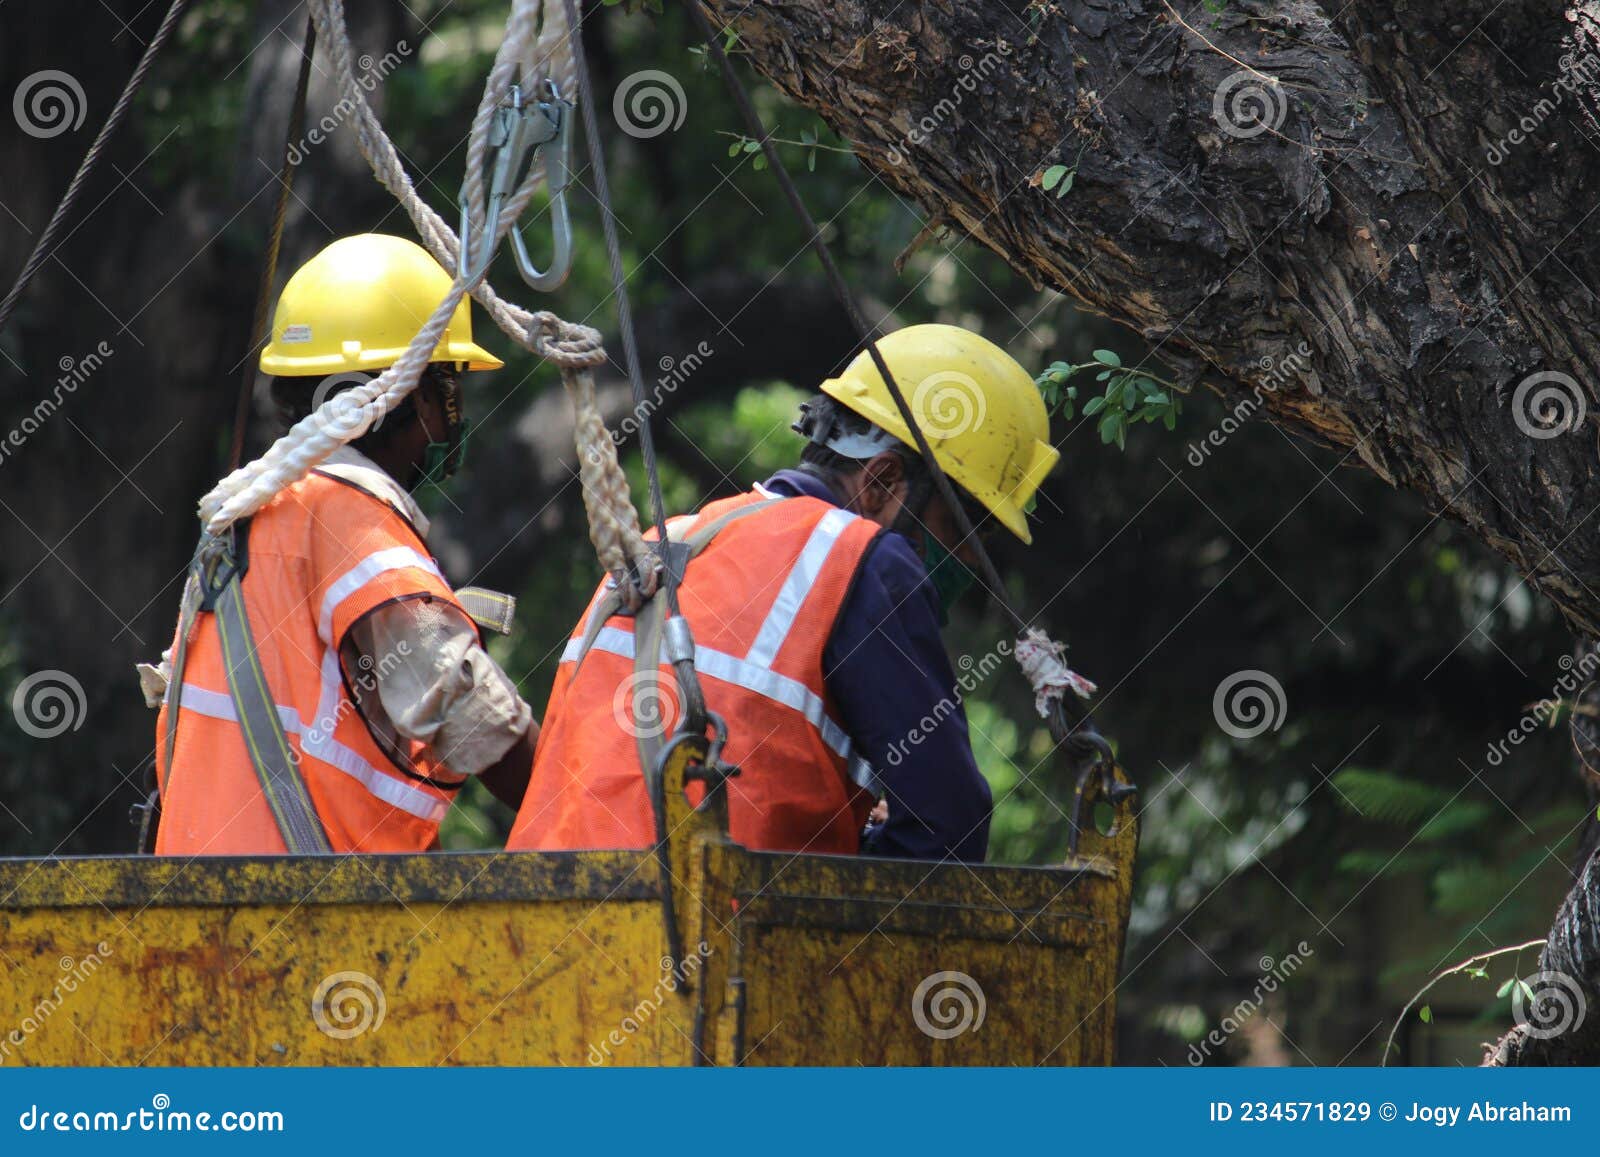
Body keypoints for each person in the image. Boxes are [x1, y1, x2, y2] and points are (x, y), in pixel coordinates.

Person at [506, 323, 1060, 861]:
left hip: (524, 921)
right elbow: (950, 829)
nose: (968, 561)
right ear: (883, 482)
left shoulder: (662, 543)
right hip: (708, 930)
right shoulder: (866, 561)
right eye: (965, 530)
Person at [147, 233, 535, 854]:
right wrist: (584, 808)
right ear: (406, 397)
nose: (452, 417)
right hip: (308, 918)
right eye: (447, 390)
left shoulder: (251, 516)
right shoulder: (346, 521)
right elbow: (472, 715)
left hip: (197, 903)